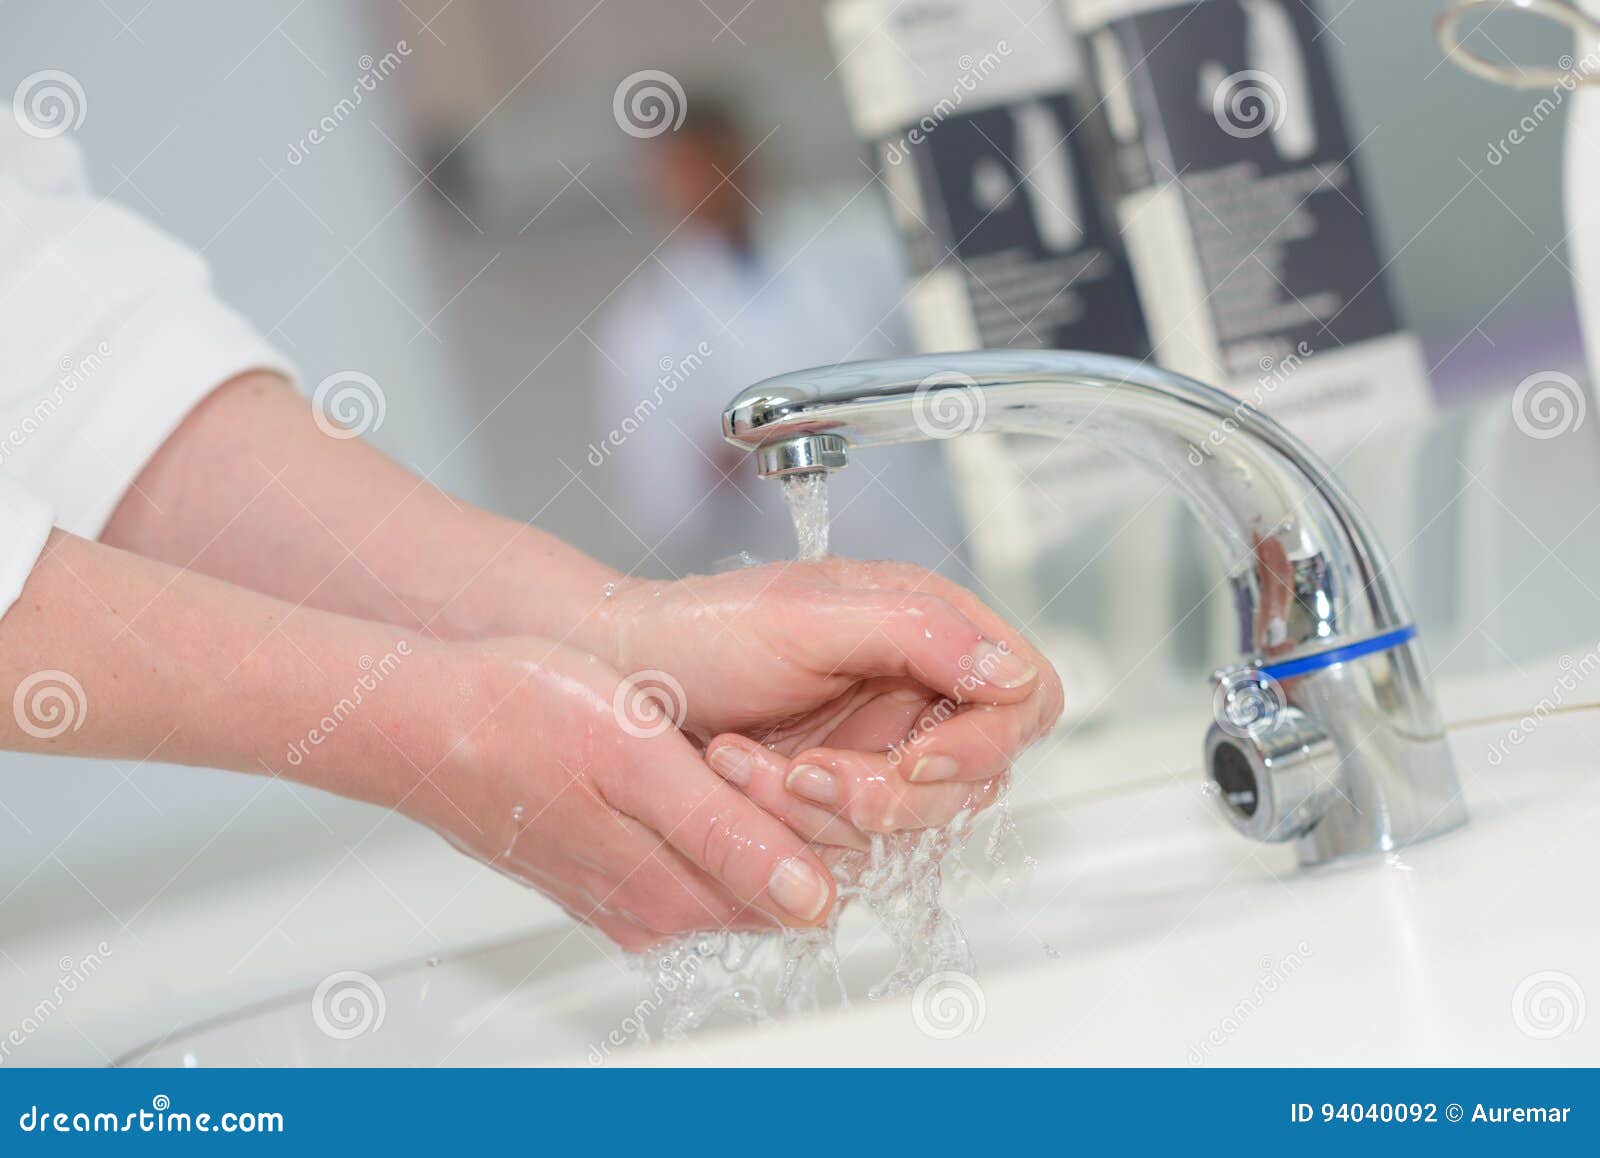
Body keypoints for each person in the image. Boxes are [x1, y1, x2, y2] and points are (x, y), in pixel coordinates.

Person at [0, 117, 1060, 952]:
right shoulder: (653, 325)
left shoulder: (835, 248)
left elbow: (80, 379)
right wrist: (431, 725)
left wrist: (625, 637)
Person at [592, 97, 966, 575]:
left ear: (748, 155)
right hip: (786, 569)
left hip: (927, 537)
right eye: (687, 173)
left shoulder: (853, 236)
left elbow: (947, 339)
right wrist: (713, 470)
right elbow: (659, 509)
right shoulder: (646, 329)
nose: (709, 185)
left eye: (718, 163)